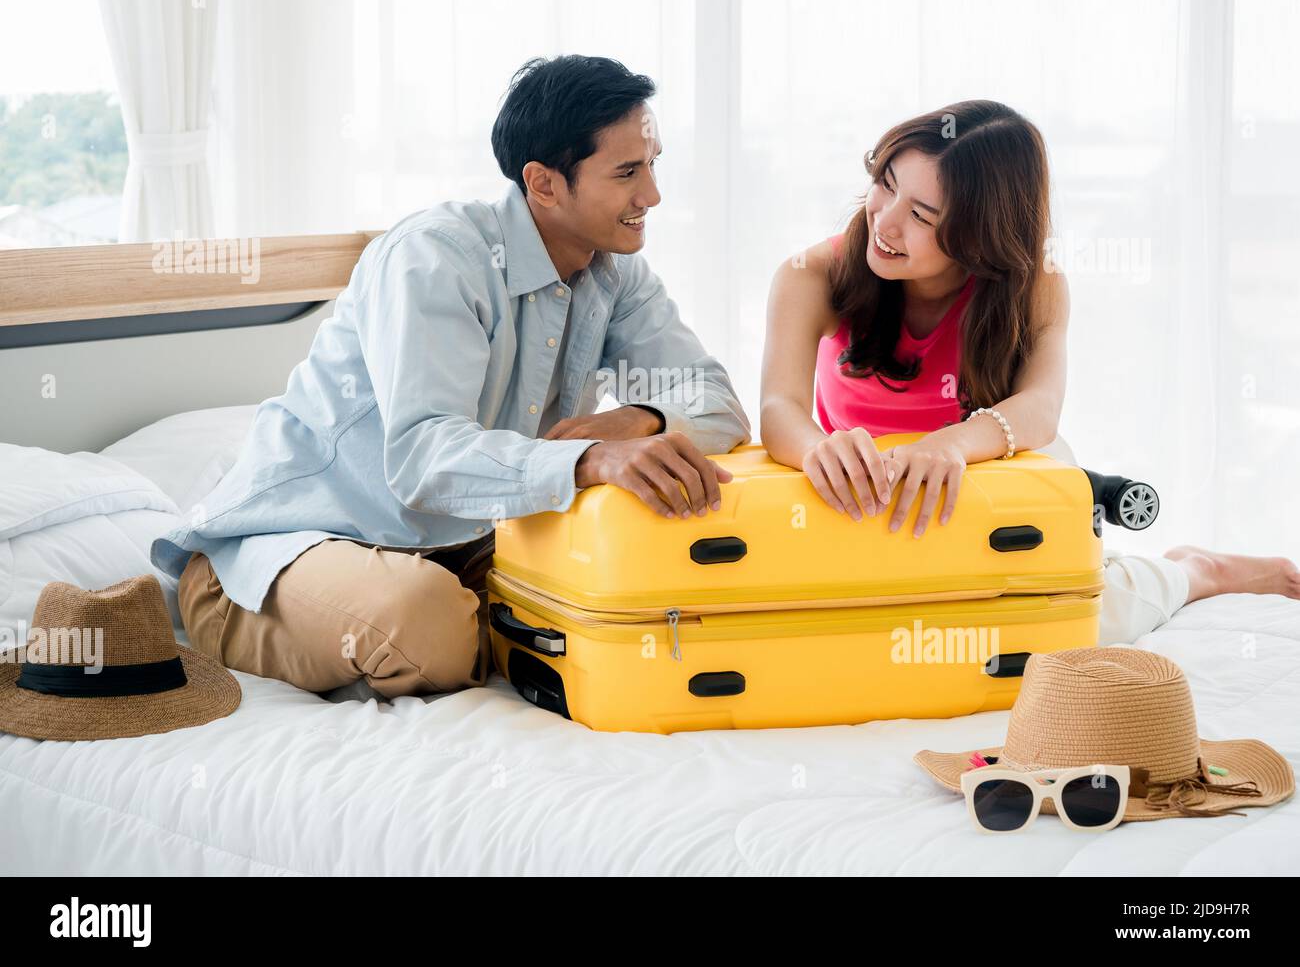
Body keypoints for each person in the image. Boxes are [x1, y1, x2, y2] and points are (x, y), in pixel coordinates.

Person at [152, 55, 750, 701]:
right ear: (544, 184)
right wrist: (589, 458)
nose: (652, 196)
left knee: (679, 579)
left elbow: (717, 401)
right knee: (426, 617)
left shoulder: (616, 273)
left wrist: (639, 419)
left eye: (652, 163)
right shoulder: (435, 258)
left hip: (468, 550)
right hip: (290, 549)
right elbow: (423, 456)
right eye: (627, 172)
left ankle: (498, 627)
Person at [759, 99, 1300, 645]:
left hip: (994, 461)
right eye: (886, 182)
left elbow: (1041, 407)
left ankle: (1195, 570)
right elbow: (779, 408)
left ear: (978, 235)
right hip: (880, 486)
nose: (886, 219)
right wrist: (814, 450)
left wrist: (949, 445)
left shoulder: (1036, 285)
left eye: (922, 215)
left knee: (1070, 627)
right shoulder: (813, 274)